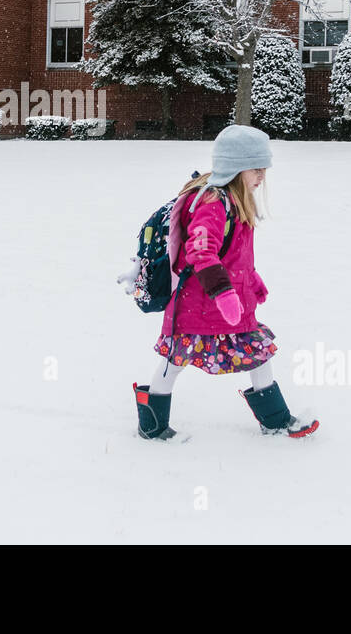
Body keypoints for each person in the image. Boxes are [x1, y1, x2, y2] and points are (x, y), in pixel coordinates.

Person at [133, 124, 318, 440]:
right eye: (256, 169)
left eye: (264, 169)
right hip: (196, 306)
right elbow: (201, 252)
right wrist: (223, 293)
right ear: (235, 167)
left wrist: (252, 282)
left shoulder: (236, 202)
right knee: (172, 362)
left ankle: (275, 421)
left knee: (258, 353)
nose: (261, 176)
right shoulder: (214, 203)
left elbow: (234, 257)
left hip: (229, 304)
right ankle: (152, 426)